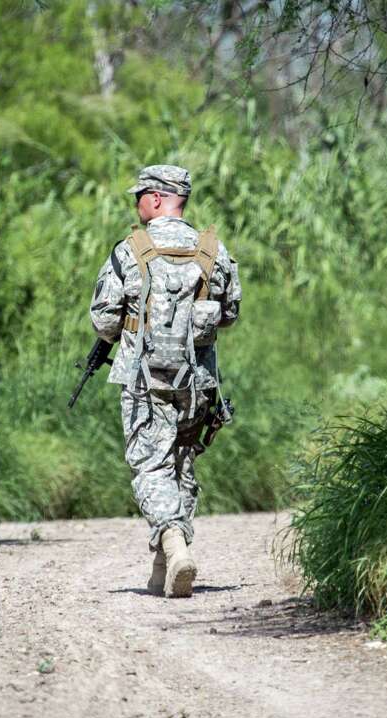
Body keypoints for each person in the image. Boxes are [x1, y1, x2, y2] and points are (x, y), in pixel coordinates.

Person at [88, 164, 241, 598]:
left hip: (144, 378)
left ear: (156, 198)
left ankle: (174, 545)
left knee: (150, 465)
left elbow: (103, 318)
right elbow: (229, 313)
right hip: (199, 381)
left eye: (139, 195)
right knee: (181, 464)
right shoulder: (213, 249)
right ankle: (164, 569)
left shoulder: (129, 250)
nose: (136, 204)